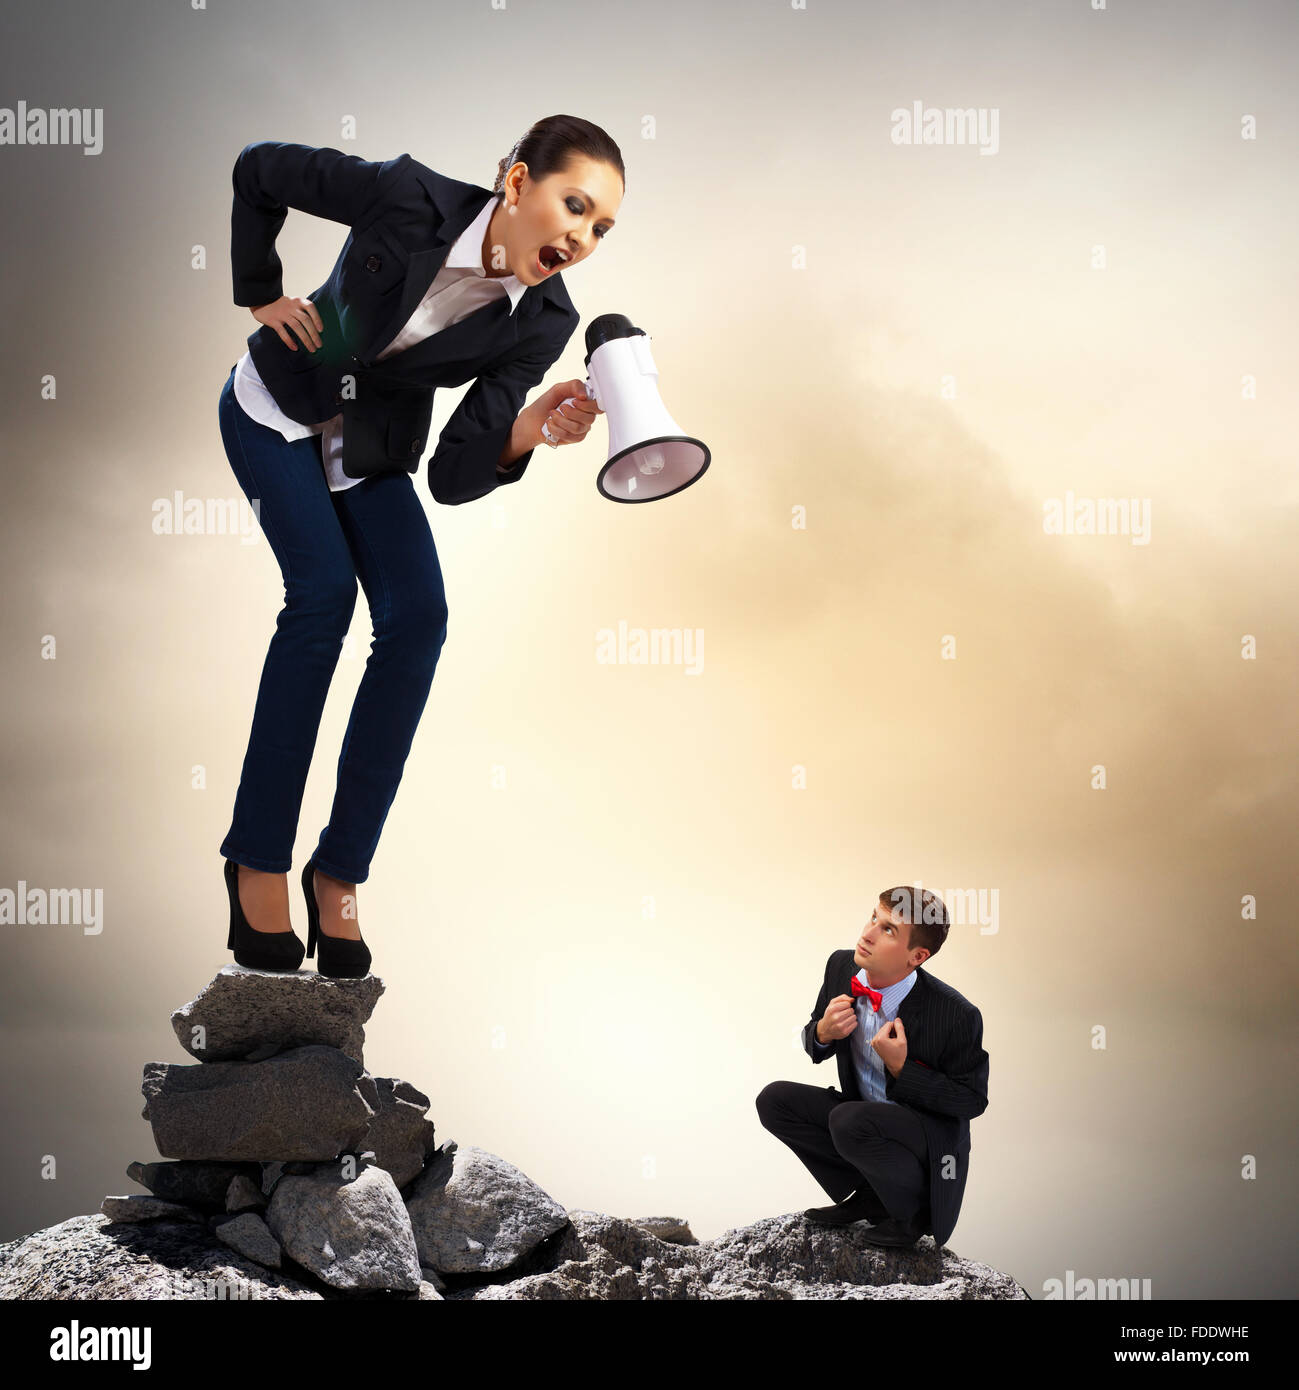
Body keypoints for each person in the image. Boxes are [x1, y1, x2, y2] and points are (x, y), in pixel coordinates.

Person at [217, 115, 624, 978]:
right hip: (274, 410)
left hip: (369, 450)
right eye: (574, 207)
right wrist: (259, 290)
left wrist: (529, 430)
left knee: (421, 620)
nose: (582, 239)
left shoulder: (543, 320)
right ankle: (258, 859)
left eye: (601, 230)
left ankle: (340, 873)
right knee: (323, 598)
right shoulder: (405, 194)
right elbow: (259, 167)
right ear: (517, 183)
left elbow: (454, 474)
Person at [756, 887, 989, 1249]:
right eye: (873, 918)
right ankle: (869, 1193)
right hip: (859, 1122)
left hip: (922, 1146)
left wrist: (902, 1070)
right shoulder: (840, 967)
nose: (867, 934)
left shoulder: (956, 1014)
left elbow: (972, 1100)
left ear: (917, 956)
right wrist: (822, 1033)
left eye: (889, 930)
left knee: (849, 1120)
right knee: (774, 1101)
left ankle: (910, 1214)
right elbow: (813, 1043)